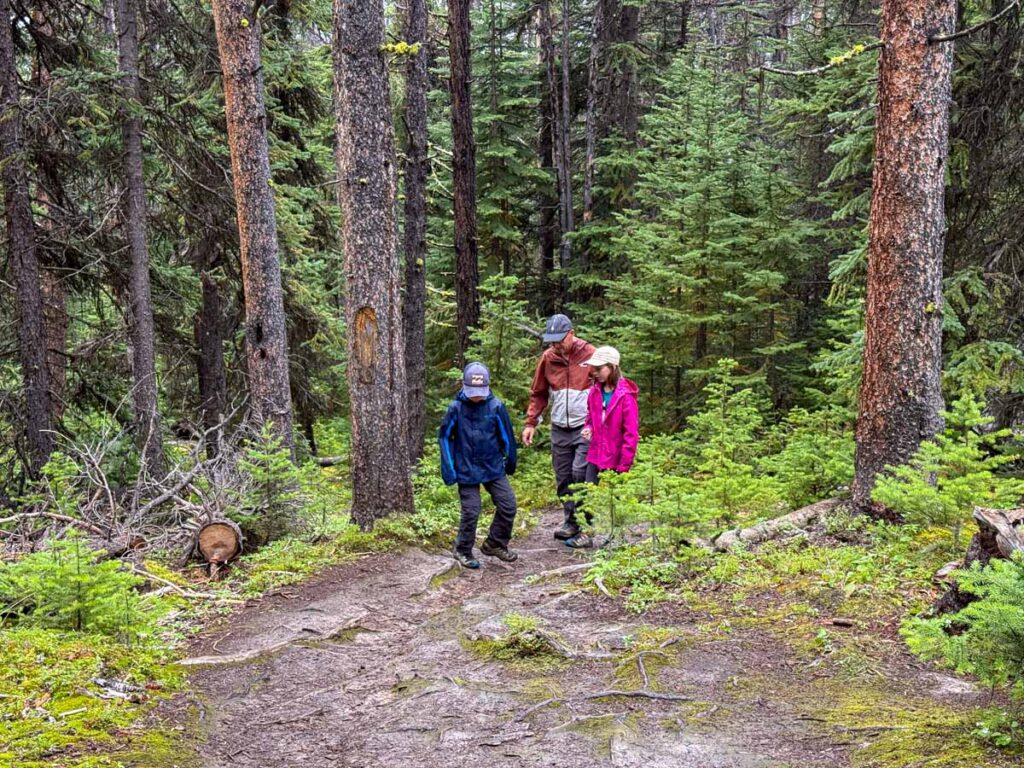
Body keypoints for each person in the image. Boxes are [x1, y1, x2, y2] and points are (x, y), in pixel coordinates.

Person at [522, 314, 596, 542]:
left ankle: (587, 524)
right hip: (559, 428)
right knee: (564, 477)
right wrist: (531, 422)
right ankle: (570, 522)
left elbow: (605, 389)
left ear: (571, 334)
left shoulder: (591, 354)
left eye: (559, 340)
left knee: (581, 473)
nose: (555, 345)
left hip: (585, 427)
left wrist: (596, 423)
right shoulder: (548, 358)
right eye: (551, 340)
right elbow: (539, 393)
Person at [439, 362, 519, 569]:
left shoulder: (496, 406)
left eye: (480, 391)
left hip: (493, 467)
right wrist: (449, 468)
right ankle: (463, 549)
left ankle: (495, 543)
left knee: (508, 504)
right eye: (473, 391)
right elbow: (445, 438)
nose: (477, 396)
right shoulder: (455, 408)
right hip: (466, 468)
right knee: (472, 510)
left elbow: (507, 438)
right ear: (464, 387)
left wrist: (510, 462)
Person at [571, 346, 640, 548]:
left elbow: (631, 434)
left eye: (599, 369)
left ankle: (616, 536)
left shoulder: (625, 396)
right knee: (588, 491)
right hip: (596, 453)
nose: (595, 372)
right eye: (594, 368)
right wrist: (588, 427)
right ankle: (587, 533)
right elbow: (590, 416)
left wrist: (624, 466)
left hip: (616, 457)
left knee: (614, 496)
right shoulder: (595, 392)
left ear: (612, 367)